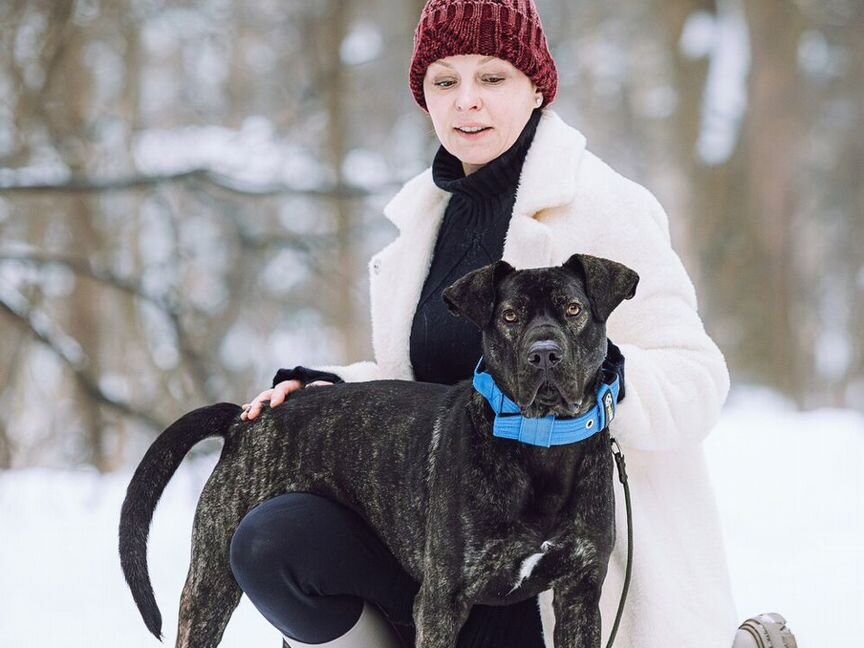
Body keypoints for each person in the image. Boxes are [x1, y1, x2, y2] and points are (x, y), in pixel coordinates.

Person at [229, 2, 796, 648]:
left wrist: (598, 378)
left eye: (491, 78)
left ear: (535, 85)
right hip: (440, 536)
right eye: (446, 81)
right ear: (425, 95)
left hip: (555, 562)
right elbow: (419, 383)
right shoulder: (421, 225)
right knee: (274, 541)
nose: (467, 102)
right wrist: (331, 387)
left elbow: (699, 378)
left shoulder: (604, 205)